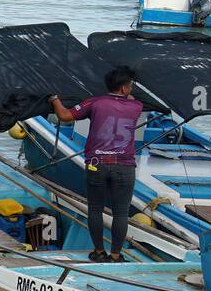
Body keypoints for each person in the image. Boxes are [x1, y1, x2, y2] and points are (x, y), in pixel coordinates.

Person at [48, 66, 143, 262]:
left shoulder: (95, 103)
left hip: (97, 164)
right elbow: (131, 100)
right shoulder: (137, 107)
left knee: (95, 209)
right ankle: (116, 255)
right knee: (121, 212)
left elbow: (64, 116)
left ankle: (98, 252)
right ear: (124, 89)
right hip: (124, 166)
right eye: (130, 86)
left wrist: (54, 100)